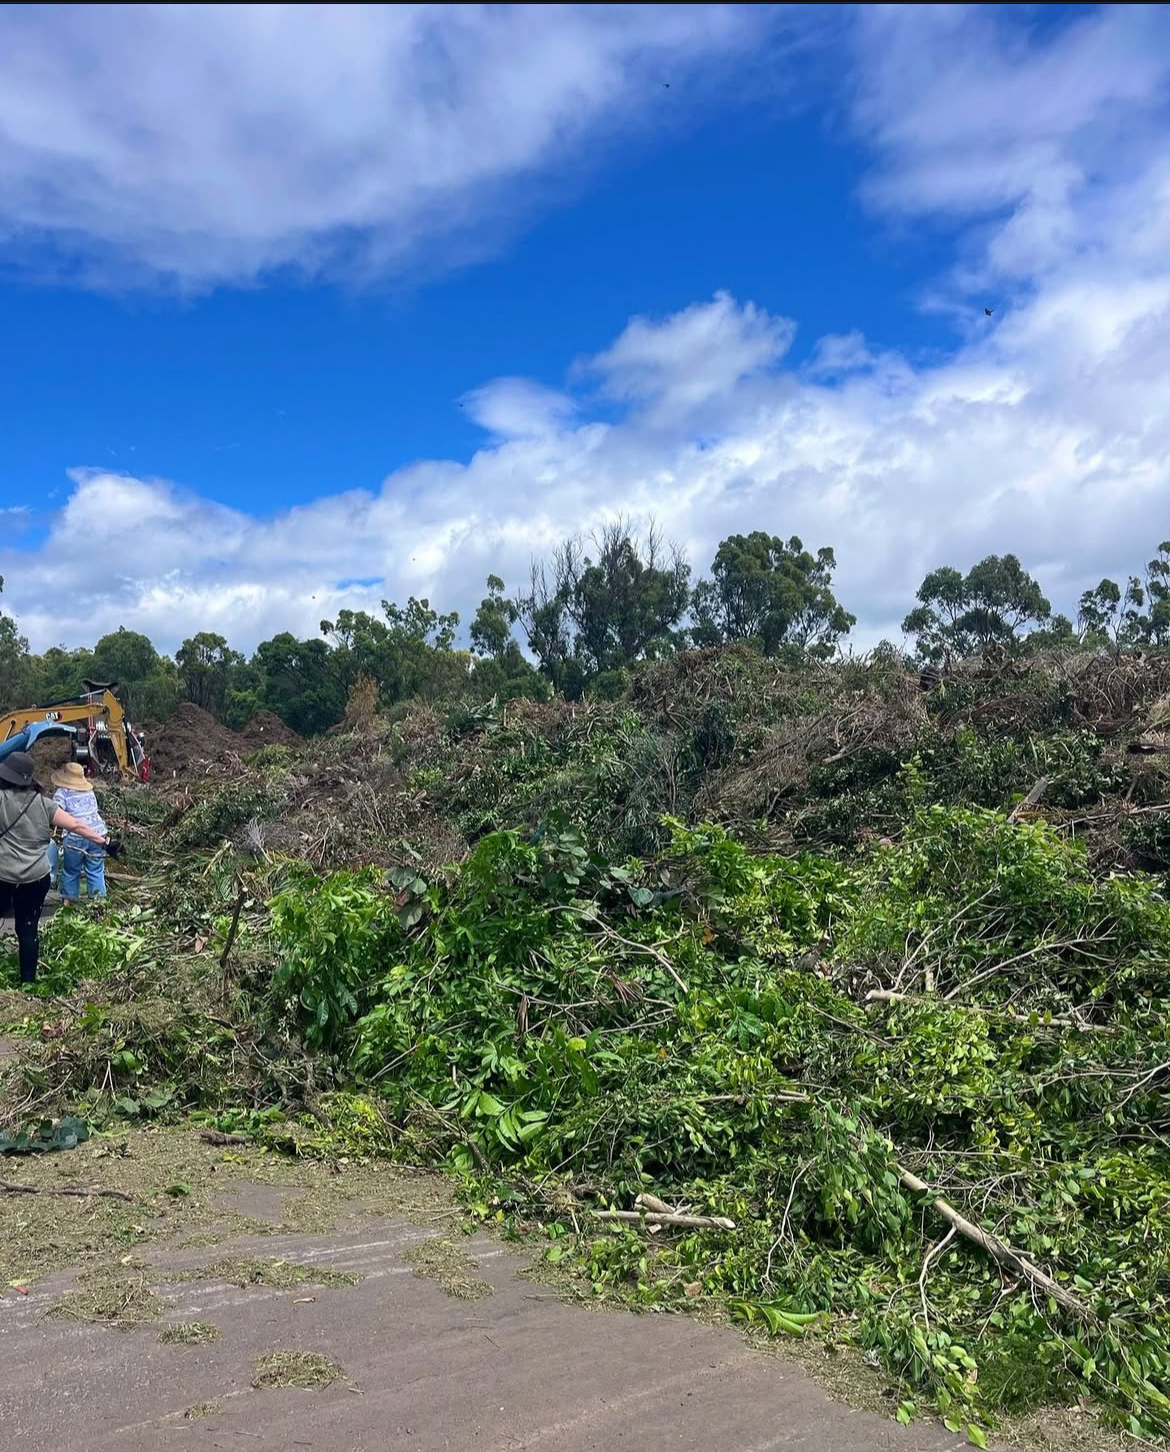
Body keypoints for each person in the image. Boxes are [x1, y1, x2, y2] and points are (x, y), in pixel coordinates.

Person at [0, 751, 110, 986]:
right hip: (35, 877)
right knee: (28, 931)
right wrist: (104, 842)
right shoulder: (43, 803)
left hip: (3, 876)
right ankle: (28, 985)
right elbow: (77, 824)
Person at [51, 761, 109, 904]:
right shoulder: (89, 791)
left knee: (71, 870)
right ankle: (99, 903)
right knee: (95, 870)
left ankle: (67, 903)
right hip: (98, 835)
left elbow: (53, 812)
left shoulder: (62, 793)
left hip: (75, 837)